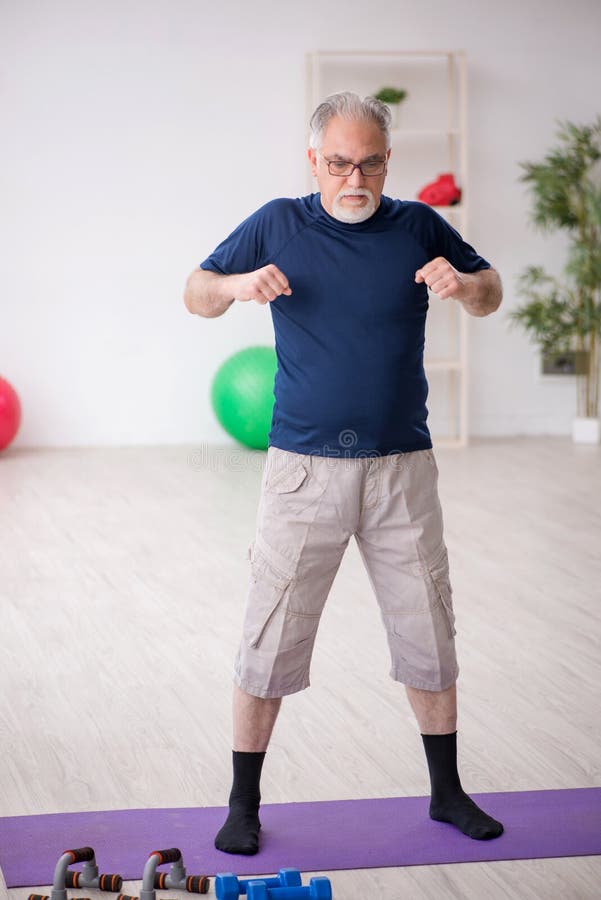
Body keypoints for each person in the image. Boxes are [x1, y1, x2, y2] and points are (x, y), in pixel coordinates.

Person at [184, 91, 504, 856]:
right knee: (270, 636)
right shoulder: (276, 223)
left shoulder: (418, 225)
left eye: (368, 163)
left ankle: (446, 793)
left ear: (388, 162)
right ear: (313, 160)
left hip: (402, 470)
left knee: (428, 631)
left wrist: (464, 287)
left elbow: (490, 291)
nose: (352, 178)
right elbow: (195, 294)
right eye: (337, 163)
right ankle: (242, 802)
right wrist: (235, 286)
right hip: (303, 472)